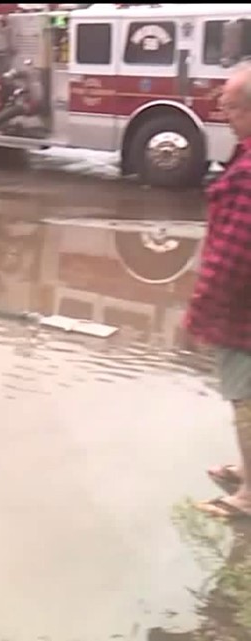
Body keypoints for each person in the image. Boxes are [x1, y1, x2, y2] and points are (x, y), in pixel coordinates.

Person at [185, 62, 251, 518]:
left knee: (244, 397)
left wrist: (197, 313)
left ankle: (249, 496)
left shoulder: (247, 174)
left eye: (230, 107)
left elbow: (232, 254)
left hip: (243, 315)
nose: (223, 115)